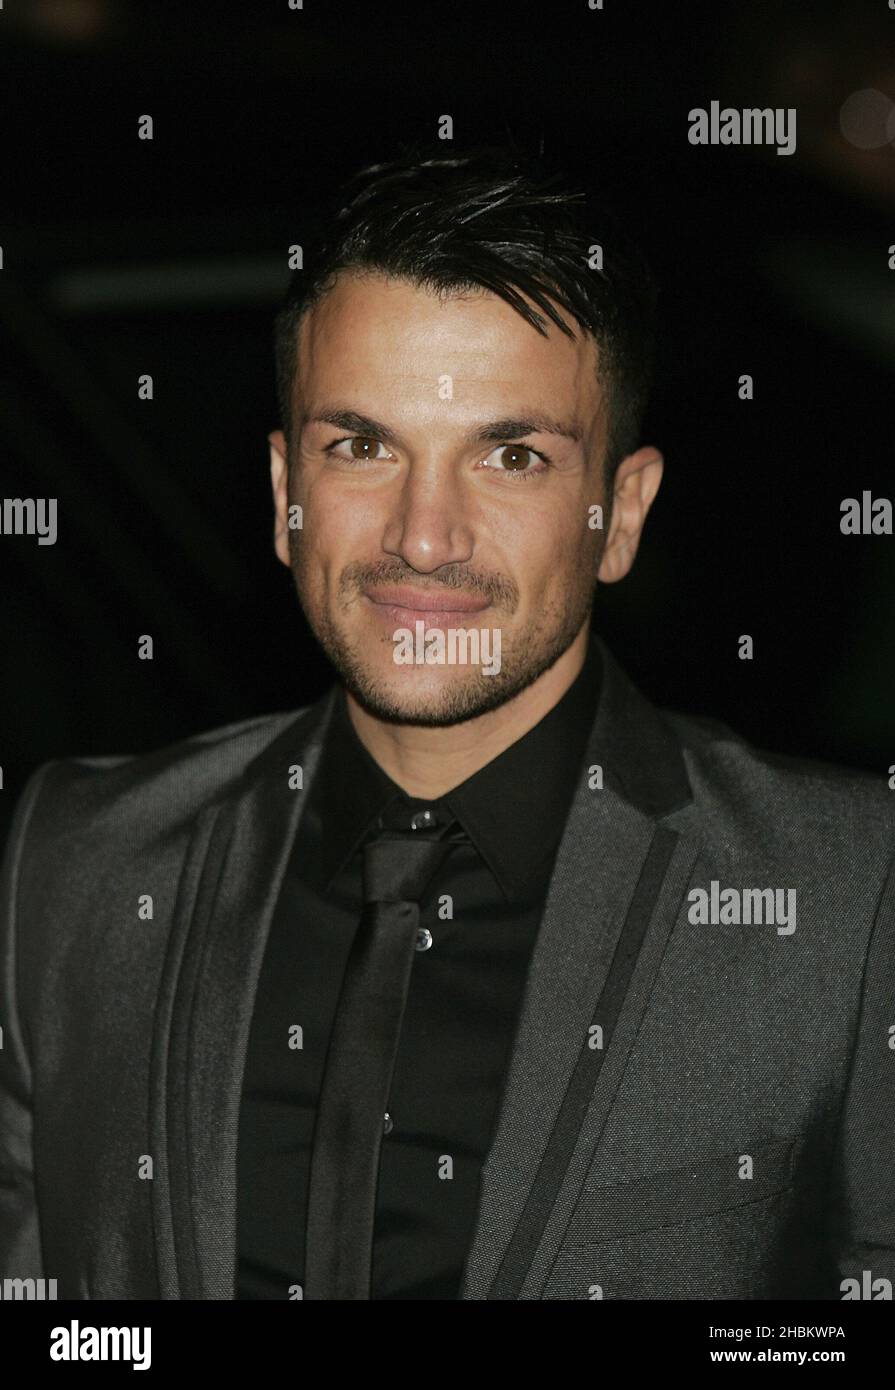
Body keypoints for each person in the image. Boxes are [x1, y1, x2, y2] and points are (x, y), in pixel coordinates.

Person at [1, 146, 893, 1302]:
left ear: (618, 515)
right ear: (286, 493)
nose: (424, 536)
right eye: (361, 446)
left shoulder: (846, 893)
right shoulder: (72, 863)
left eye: (510, 455)